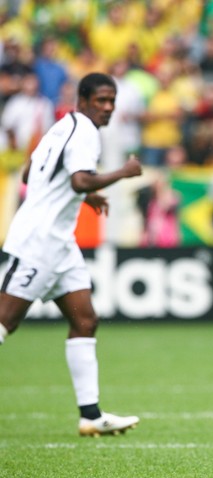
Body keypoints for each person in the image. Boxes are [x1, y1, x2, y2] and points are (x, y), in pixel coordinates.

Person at [0, 73, 143, 437]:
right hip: (38, 242)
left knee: (85, 321)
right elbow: (79, 179)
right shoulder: (86, 133)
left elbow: (31, 173)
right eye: (101, 101)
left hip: (61, 245)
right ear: (83, 100)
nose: (107, 108)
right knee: (4, 322)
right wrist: (123, 172)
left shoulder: (61, 127)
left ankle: (91, 415)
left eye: (112, 101)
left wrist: (83, 194)